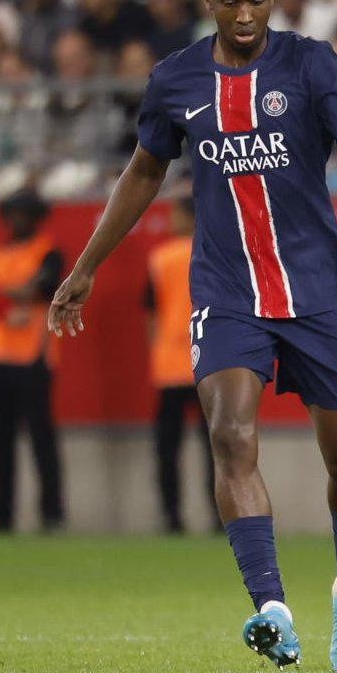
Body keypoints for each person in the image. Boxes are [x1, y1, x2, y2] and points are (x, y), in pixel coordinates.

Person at [48, 0, 337, 672]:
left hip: (314, 292)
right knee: (230, 436)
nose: (245, 14)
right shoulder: (176, 80)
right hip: (227, 291)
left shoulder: (309, 64)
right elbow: (143, 171)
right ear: (206, 0)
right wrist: (85, 265)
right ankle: (271, 610)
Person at [0, 188, 65, 533]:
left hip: (33, 355)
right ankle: (2, 514)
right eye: (13, 213)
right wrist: (8, 296)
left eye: (24, 213)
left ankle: (52, 513)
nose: (17, 220)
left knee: (42, 437)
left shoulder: (48, 252)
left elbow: (40, 287)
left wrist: (2, 294)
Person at [146, 194, 218, 535]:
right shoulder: (214, 252)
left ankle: (171, 517)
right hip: (210, 364)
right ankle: (221, 519)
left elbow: (151, 313)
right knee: (219, 449)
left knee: (168, 450)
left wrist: (158, 347)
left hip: (170, 366)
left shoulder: (160, 258)